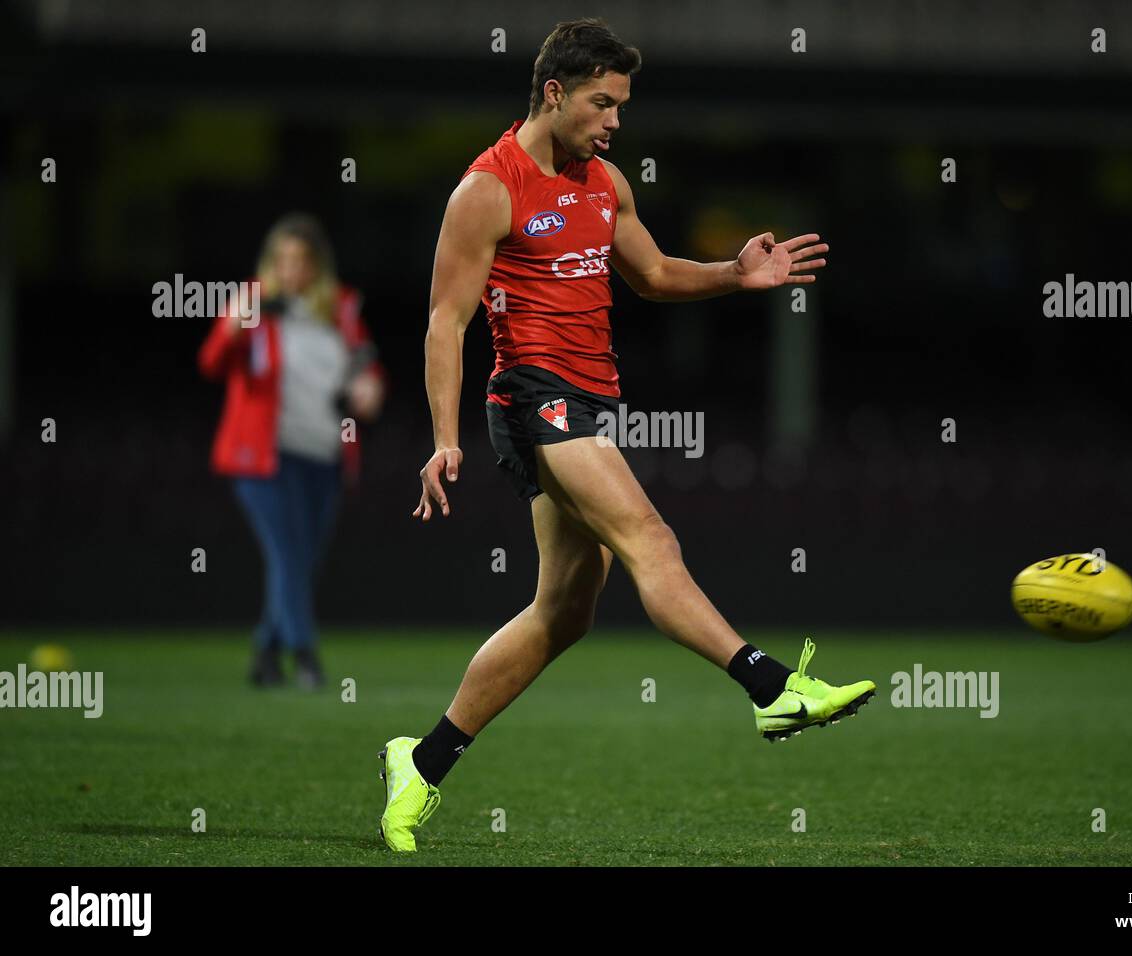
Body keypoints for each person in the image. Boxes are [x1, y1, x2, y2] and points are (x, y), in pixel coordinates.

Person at [377, 18, 874, 852]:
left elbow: (651, 274)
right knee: (650, 536)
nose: (615, 122)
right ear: (554, 92)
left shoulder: (604, 181)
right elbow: (443, 322)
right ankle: (772, 687)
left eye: (622, 106)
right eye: (603, 104)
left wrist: (733, 274)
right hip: (532, 397)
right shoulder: (488, 188)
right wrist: (442, 435)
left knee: (564, 612)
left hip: (592, 400)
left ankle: (419, 762)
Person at [199, 213, 385, 689]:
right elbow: (213, 363)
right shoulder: (253, 304)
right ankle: (305, 656)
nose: (291, 271)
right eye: (282, 261)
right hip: (262, 458)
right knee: (286, 554)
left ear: (317, 266)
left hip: (324, 453)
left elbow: (366, 370)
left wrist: (369, 389)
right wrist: (232, 329)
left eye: (301, 262)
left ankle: (265, 653)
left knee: (301, 560)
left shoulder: (340, 309)